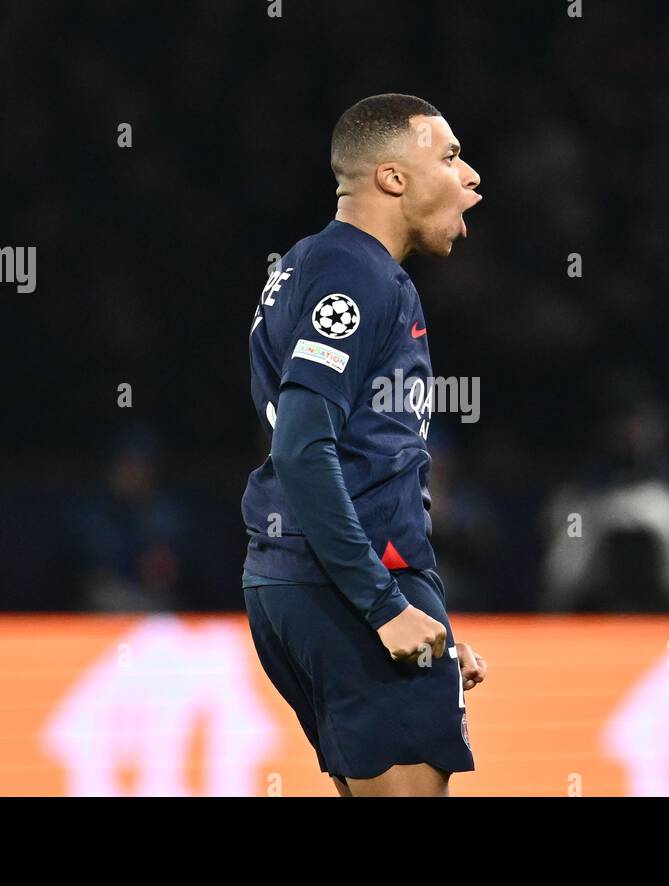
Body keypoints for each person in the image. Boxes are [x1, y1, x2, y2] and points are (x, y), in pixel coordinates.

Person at [241, 94, 486, 797]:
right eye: (448, 156)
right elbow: (301, 449)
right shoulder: (355, 275)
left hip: (314, 582)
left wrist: (423, 618)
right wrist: (384, 606)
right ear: (392, 177)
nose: (471, 177)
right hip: (343, 589)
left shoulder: (310, 265)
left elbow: (354, 454)